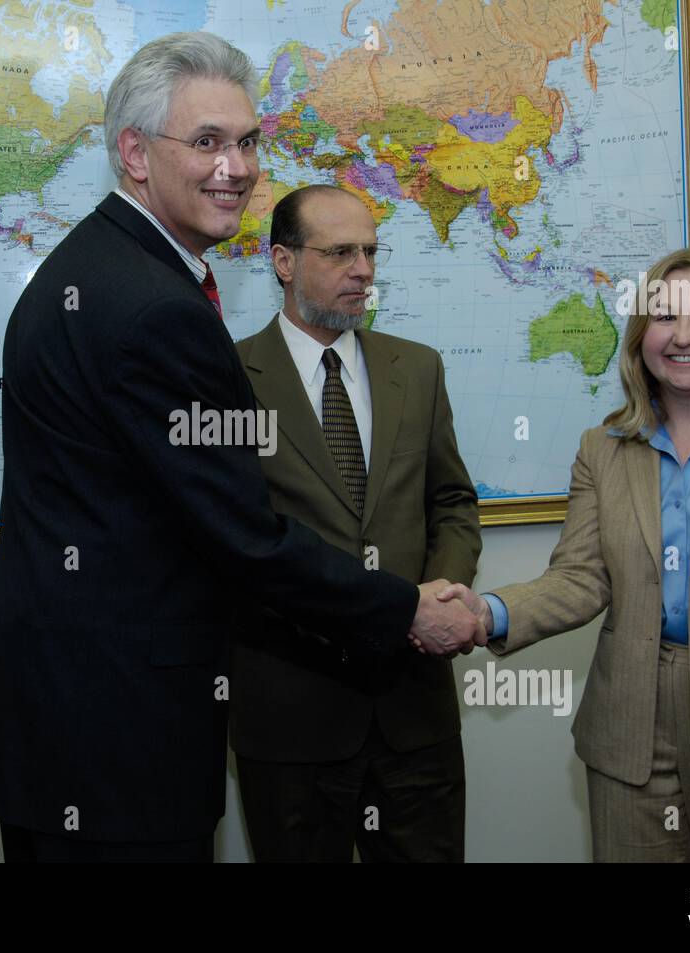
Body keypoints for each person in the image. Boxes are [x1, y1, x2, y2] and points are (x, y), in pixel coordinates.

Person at [0, 32, 484, 863]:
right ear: (134, 153)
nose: (235, 168)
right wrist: (404, 606)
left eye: (245, 143)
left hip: (66, 716)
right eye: (205, 143)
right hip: (120, 734)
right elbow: (243, 536)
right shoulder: (153, 307)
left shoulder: (91, 268)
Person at [432, 248, 690, 862]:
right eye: (664, 318)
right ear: (640, 336)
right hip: (628, 741)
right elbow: (579, 579)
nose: (683, 337)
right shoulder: (601, 448)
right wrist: (486, 612)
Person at [230, 185, 481, 862]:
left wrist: (443, 593)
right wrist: (389, 608)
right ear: (283, 261)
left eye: (370, 250)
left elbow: (452, 501)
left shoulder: (417, 368)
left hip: (414, 708)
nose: (363, 268)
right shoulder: (229, 379)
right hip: (292, 717)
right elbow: (235, 543)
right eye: (341, 251)